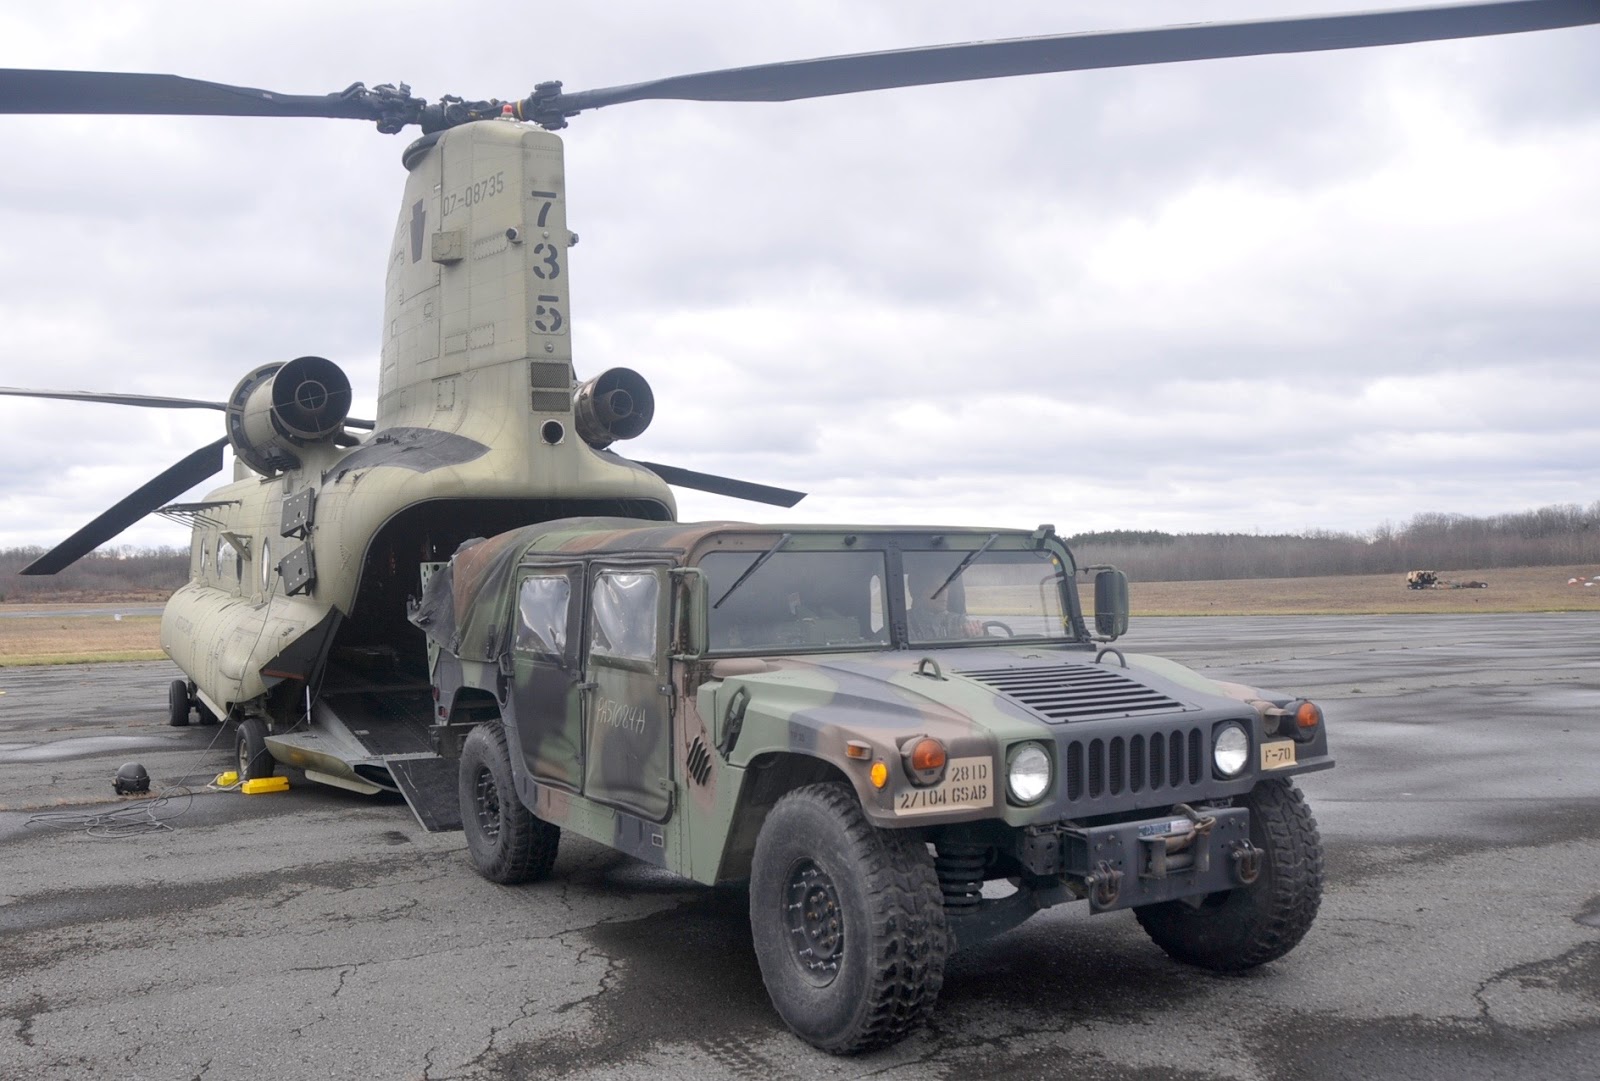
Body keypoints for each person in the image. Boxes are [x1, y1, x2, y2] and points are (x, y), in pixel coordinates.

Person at [907, 580, 982, 640]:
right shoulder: (905, 623)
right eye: (936, 587)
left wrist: (977, 633)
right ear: (919, 593)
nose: (944, 592)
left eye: (946, 587)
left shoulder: (958, 621)